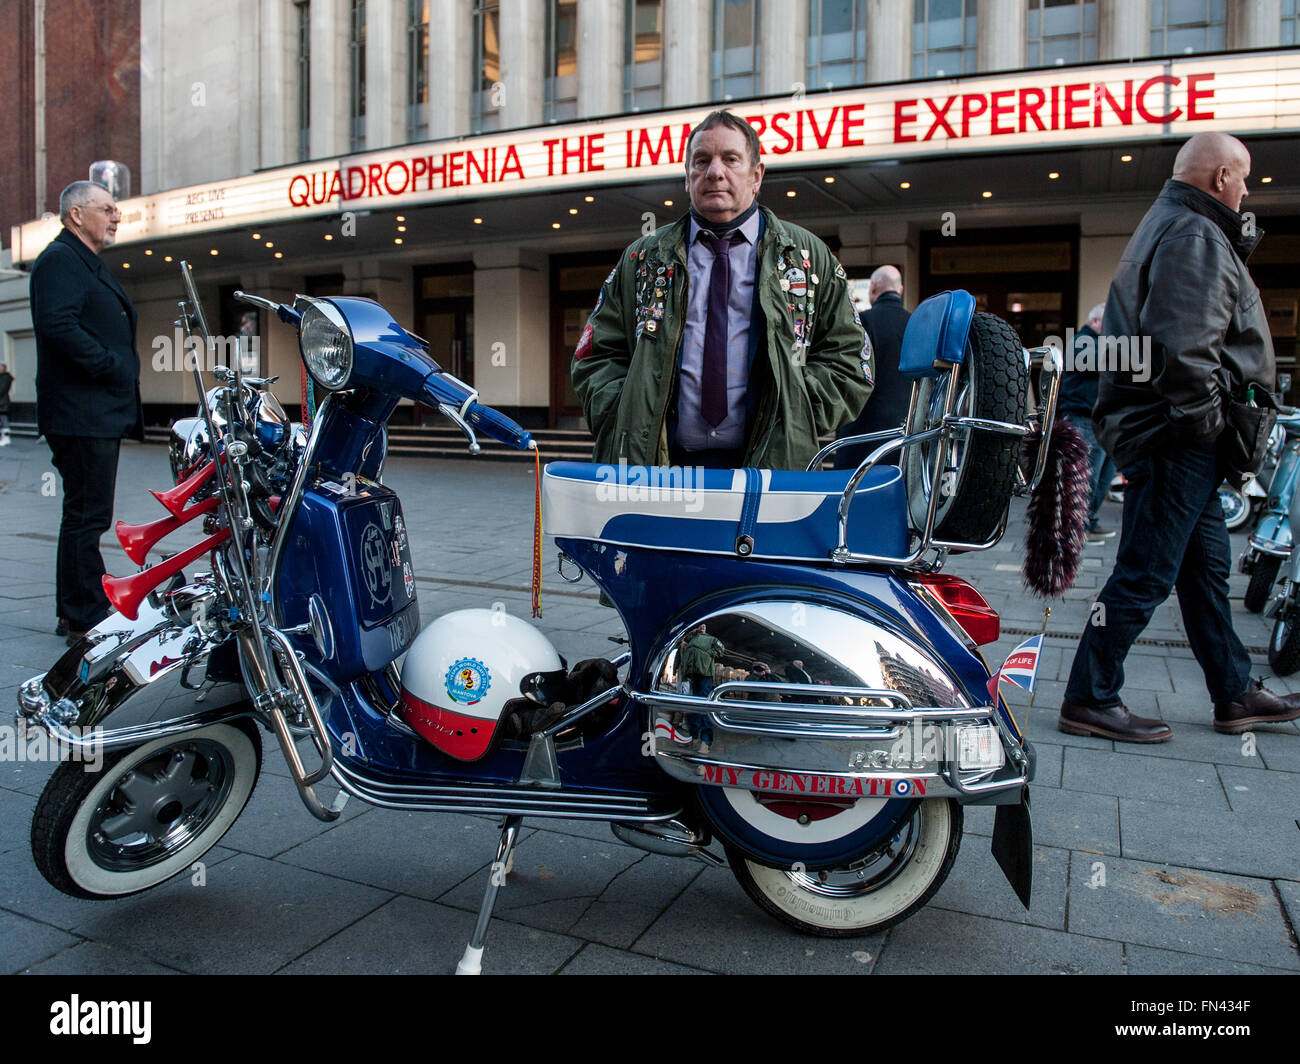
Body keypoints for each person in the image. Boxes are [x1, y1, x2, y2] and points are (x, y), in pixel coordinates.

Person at [1060, 131, 1300, 742]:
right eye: (1244, 178)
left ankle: (1234, 692)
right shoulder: (1195, 233)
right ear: (1220, 177)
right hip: (1178, 438)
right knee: (1144, 572)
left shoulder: (1178, 224)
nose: (1247, 191)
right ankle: (1089, 695)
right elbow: (1184, 353)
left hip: (1175, 434)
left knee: (1205, 573)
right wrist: (1207, 427)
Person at [572, 109, 873, 471]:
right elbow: (595, 357)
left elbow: (850, 359)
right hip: (658, 471)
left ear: (756, 175)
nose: (714, 172)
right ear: (687, 177)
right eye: (701, 160)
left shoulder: (809, 258)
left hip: (771, 471)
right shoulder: (642, 259)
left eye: (730, 159)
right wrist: (625, 410)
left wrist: (796, 411)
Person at [30, 180, 143, 645]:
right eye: (107, 208)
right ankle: (84, 615)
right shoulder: (60, 260)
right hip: (82, 411)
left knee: (85, 512)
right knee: (87, 515)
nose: (116, 216)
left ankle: (75, 611)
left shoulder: (80, 260)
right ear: (76, 214)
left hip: (92, 410)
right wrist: (109, 365)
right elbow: (57, 324)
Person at [834, 265, 911, 469]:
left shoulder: (862, 322)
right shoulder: (914, 324)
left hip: (862, 434)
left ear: (874, 287)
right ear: (900, 290)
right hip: (905, 432)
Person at [1056, 303, 1117, 541]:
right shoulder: (1082, 342)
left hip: (1100, 421)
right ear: (1095, 321)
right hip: (1083, 420)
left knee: (1103, 476)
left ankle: (1088, 522)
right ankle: (1077, 528)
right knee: (1087, 476)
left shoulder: (1099, 343)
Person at [0, 362, 12, 445]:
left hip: (3, 403)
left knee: (4, 420)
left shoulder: (5, 377)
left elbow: (2, 389)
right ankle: (3, 438)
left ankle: (6, 438)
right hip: (2, 402)